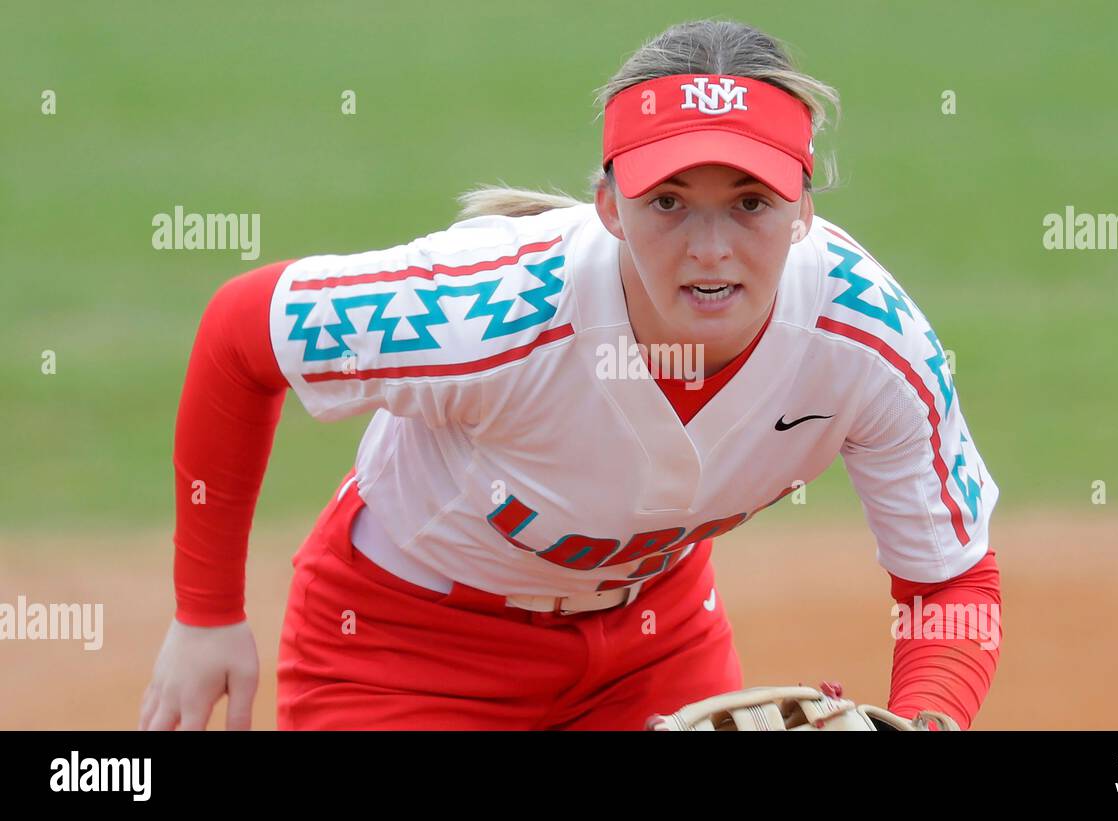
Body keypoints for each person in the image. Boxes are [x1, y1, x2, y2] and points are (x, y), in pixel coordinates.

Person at [140, 18, 1002, 731]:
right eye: (668, 201)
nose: (711, 250)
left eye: (751, 202)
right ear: (608, 205)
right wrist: (205, 614)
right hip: (403, 647)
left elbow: (950, 576)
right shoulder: (488, 308)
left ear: (804, 208)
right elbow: (241, 330)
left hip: (656, 637)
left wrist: (928, 723)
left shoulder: (867, 337)